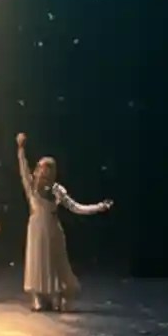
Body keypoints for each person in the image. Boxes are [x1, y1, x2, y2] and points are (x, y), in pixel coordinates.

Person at [16, 133, 113, 311]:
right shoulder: (31, 188)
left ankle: (55, 295)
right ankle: (38, 296)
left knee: (54, 263)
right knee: (37, 261)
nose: (45, 173)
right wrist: (21, 149)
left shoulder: (57, 190)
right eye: (43, 169)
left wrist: (99, 207)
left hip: (53, 231)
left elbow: (76, 207)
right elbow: (23, 169)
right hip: (36, 230)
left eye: (49, 170)